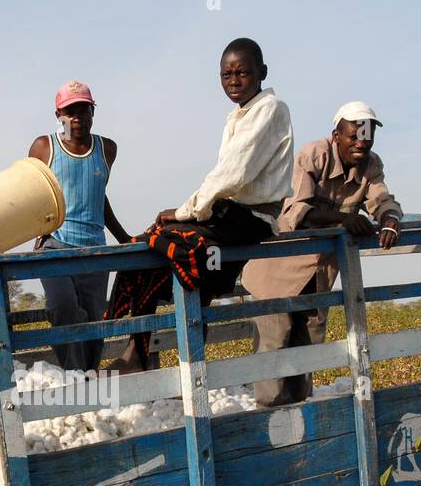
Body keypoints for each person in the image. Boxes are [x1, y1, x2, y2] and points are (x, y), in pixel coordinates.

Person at [104, 37, 293, 373]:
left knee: (176, 245)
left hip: (251, 218)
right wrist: (188, 211)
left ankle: (183, 366)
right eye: (226, 75)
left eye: (243, 73)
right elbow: (226, 176)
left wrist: (184, 211)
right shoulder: (237, 116)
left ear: (262, 72)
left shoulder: (270, 110)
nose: (234, 81)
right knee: (151, 248)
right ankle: (141, 349)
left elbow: (232, 175)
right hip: (230, 214)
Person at [242, 101, 403, 405]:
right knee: (274, 350)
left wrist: (390, 220)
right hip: (279, 273)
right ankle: (269, 428)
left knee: (308, 356)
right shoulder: (312, 155)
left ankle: (302, 427)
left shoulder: (371, 165)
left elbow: (382, 199)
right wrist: (343, 219)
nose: (361, 142)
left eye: (367, 136)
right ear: (336, 135)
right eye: (354, 134)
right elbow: (296, 211)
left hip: (320, 276)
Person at [27, 80, 130, 372]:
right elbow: (28, 193)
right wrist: (34, 230)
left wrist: (124, 238)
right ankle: (74, 378)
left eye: (83, 110)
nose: (77, 118)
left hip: (94, 246)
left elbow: (98, 197)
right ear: (59, 115)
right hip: (56, 242)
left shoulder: (106, 148)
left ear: (92, 112)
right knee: (63, 308)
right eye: (70, 111)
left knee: (94, 321)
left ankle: (87, 381)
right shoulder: (44, 146)